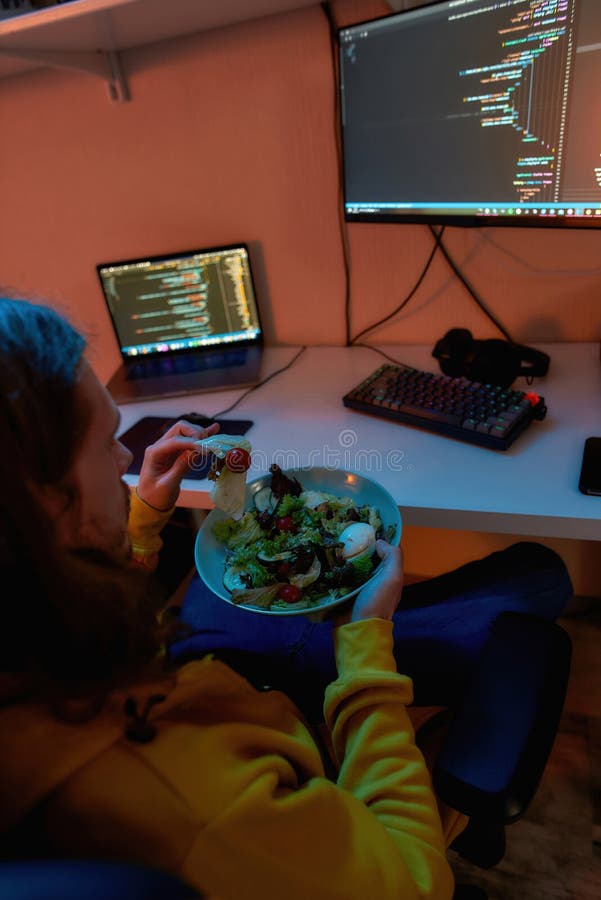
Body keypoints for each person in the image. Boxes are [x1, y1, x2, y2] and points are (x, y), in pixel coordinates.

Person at [0, 296, 573, 900]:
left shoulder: (32, 646)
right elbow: (412, 883)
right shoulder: (200, 809)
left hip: (206, 670)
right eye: (105, 444)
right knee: (540, 580)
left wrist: (138, 523)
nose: (126, 458)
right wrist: (367, 646)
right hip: (285, 728)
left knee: (532, 576)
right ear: (46, 507)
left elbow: (72, 611)